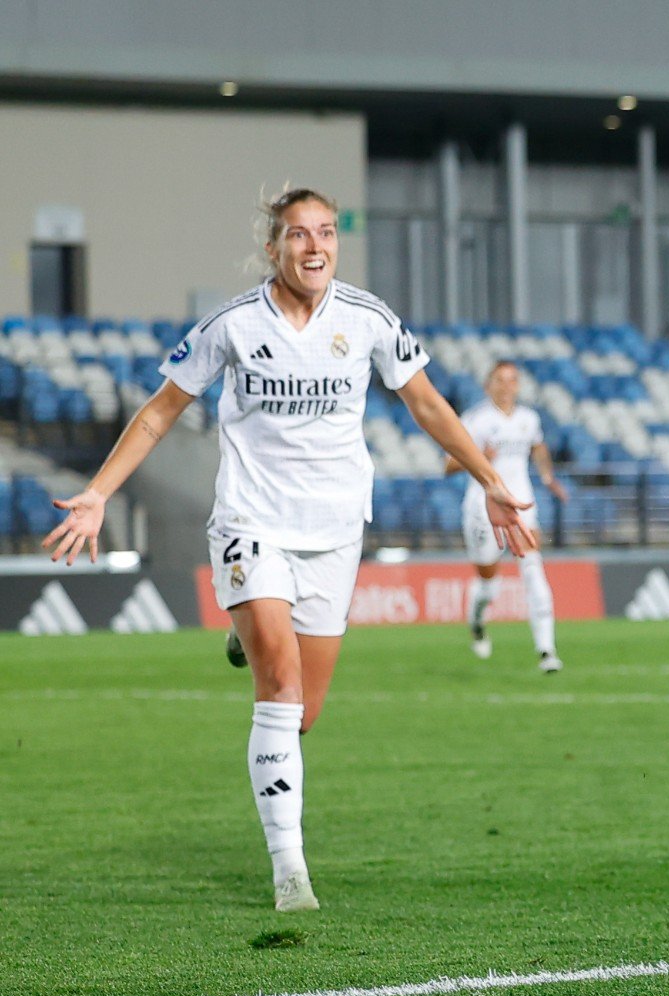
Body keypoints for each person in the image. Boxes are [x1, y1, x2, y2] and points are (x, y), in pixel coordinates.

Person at [42, 187, 535, 913]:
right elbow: (159, 411)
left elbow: (427, 403)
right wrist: (98, 492)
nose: (315, 246)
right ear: (272, 247)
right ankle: (289, 868)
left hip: (334, 531)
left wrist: (489, 478)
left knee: (304, 714)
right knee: (279, 685)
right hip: (253, 521)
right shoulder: (233, 324)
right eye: (299, 234)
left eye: (327, 232)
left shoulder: (367, 319)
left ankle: (248, 632)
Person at [448, 360, 570, 672]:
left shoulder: (528, 419)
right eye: (499, 380)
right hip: (482, 508)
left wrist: (547, 477)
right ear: (488, 385)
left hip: (521, 505)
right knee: (488, 583)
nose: (506, 386)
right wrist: (478, 457)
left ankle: (547, 650)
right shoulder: (475, 420)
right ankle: (477, 622)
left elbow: (538, 447)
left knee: (533, 569)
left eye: (512, 380)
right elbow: (448, 465)